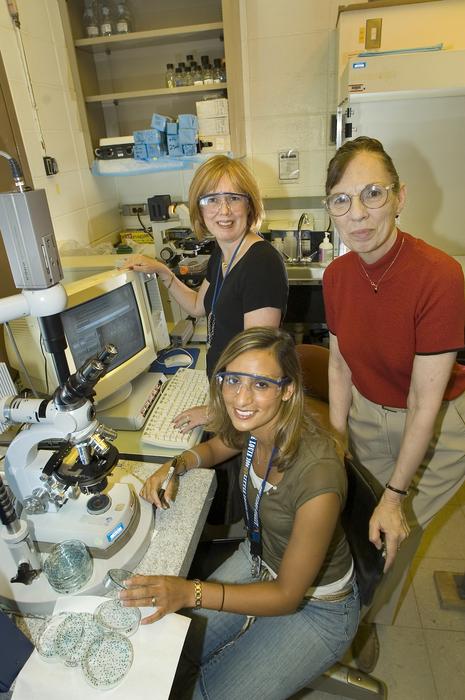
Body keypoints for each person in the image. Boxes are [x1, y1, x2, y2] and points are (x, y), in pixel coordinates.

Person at [119, 327, 359, 700]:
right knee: (172, 652)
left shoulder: (319, 477)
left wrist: (192, 592)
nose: (241, 397)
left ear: (288, 389)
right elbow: (215, 449)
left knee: (205, 692)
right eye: (233, 380)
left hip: (316, 605)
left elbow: (286, 596)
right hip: (260, 558)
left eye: (261, 385)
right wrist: (177, 464)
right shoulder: (255, 424)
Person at [322, 135, 465, 672]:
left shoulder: (439, 275)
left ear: (400, 197)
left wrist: (396, 493)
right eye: (341, 199)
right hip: (366, 412)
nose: (357, 214)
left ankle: (357, 631)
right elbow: (339, 365)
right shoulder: (337, 276)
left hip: (437, 430)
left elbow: (424, 403)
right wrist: (337, 443)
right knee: (355, 517)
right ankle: (345, 618)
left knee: (389, 533)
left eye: (373, 194)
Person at [123, 155, 288, 434]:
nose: (223, 210)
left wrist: (216, 412)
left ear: (249, 205)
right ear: (199, 209)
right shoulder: (222, 253)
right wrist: (165, 272)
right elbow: (199, 306)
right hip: (227, 391)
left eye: (233, 198)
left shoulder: (262, 263)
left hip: (248, 406)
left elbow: (256, 357)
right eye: (211, 199)